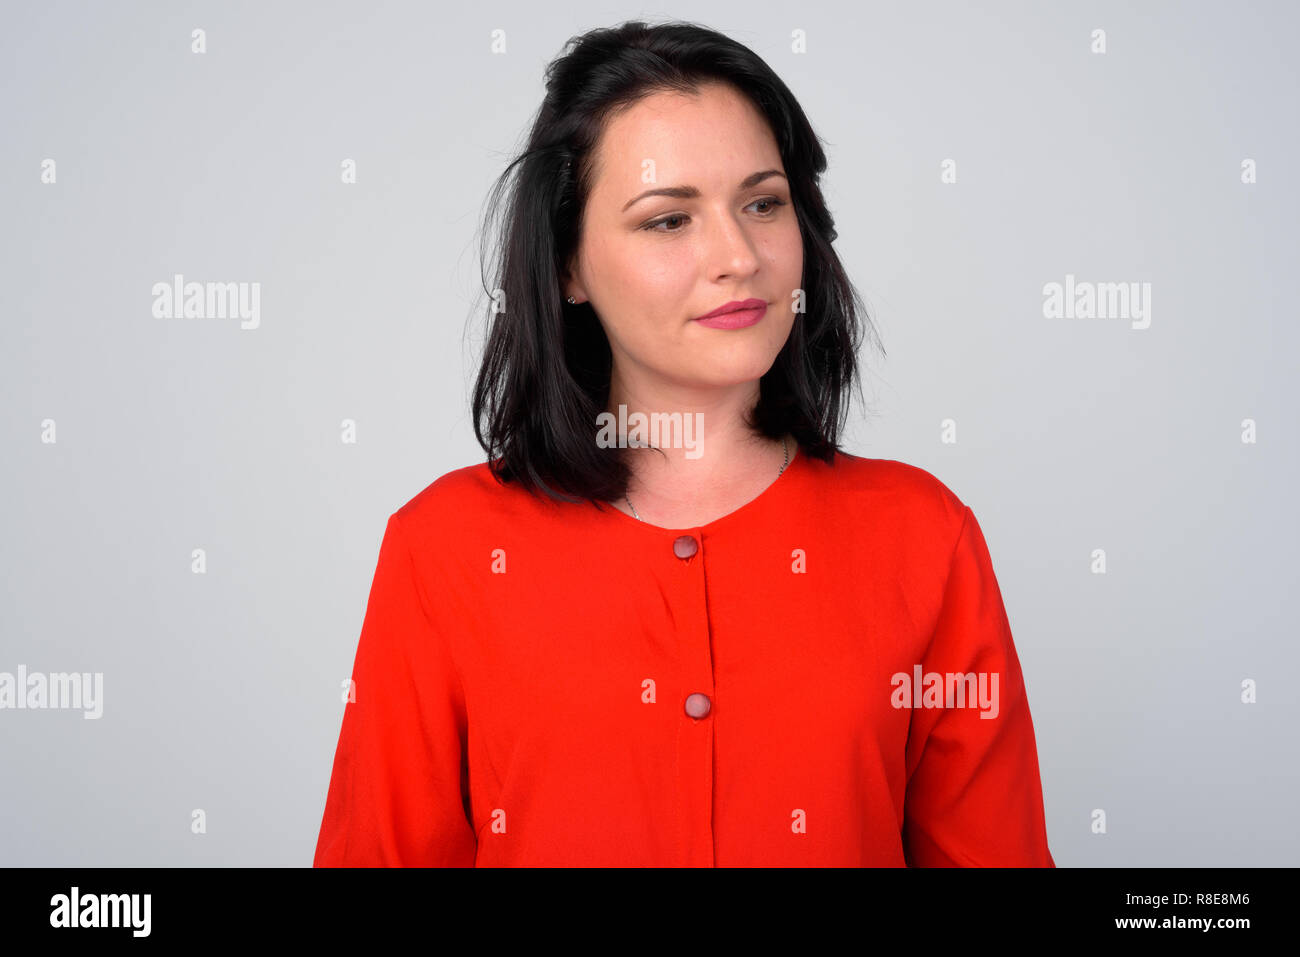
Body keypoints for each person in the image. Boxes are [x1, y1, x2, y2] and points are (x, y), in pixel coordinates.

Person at [312, 19, 1054, 867]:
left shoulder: (925, 535)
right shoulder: (443, 550)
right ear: (568, 266)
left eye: (763, 203)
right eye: (669, 220)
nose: (739, 256)